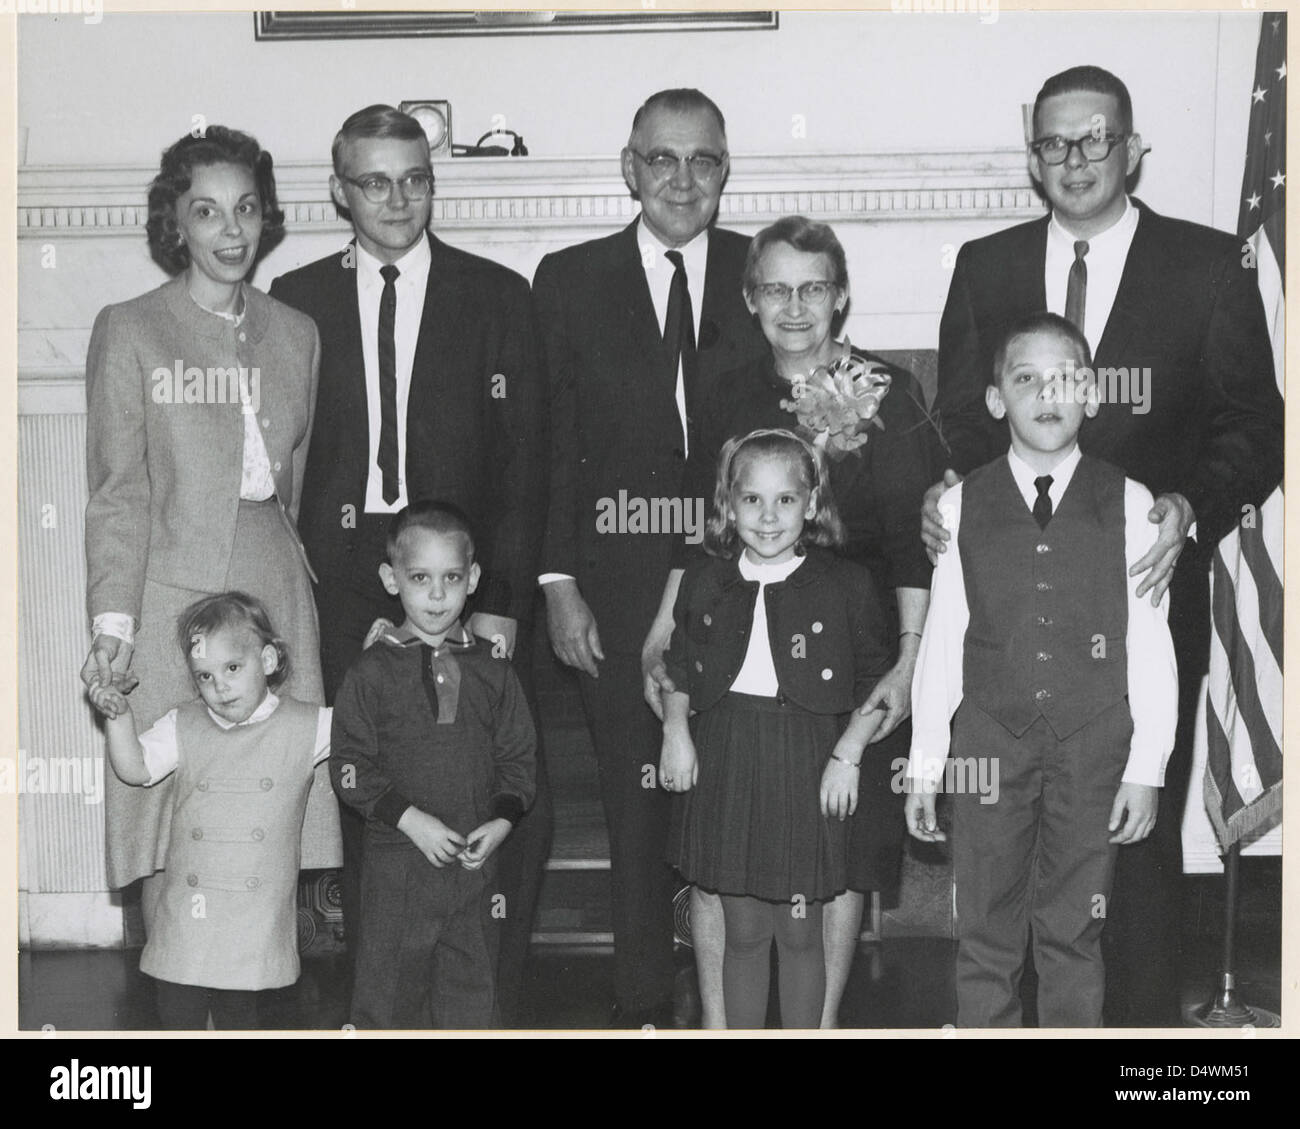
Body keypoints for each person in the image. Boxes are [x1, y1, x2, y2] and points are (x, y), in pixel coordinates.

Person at [924, 65, 1284, 1025]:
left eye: (1095, 138)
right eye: (1054, 141)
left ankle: (1133, 1036)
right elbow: (960, 413)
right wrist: (965, 496)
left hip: (1145, 588)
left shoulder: (1209, 266)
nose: (1075, 158)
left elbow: (1256, 424)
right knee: (1005, 855)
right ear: (1032, 155)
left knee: (1132, 828)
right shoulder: (985, 265)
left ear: (1133, 149)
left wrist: (1187, 506)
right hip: (1009, 607)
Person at [270, 105, 547, 1022]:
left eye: (416, 177)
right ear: (339, 191)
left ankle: (477, 1003)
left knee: (475, 781)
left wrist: (498, 599)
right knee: (367, 788)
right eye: (375, 181)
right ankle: (377, 1001)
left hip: (457, 573)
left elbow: (523, 463)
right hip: (343, 576)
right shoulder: (295, 296)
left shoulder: (497, 296)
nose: (398, 198)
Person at [643, 216, 937, 1027]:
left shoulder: (890, 391)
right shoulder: (724, 390)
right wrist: (665, 626)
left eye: (813, 286)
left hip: (858, 649)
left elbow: (916, 547)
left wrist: (908, 662)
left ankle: (822, 1021)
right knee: (723, 857)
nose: (796, 305)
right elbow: (697, 525)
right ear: (750, 298)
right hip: (737, 636)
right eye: (777, 287)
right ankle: (718, 1021)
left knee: (834, 854)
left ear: (840, 295)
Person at [533, 88, 767, 1026]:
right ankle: (641, 1006)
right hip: (618, 587)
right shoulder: (569, 277)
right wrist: (557, 582)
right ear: (629, 168)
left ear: (724, 171)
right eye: (661, 159)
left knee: (742, 804)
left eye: (703, 159)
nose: (682, 178)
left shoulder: (767, 270)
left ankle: (746, 1007)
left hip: (749, 581)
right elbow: (547, 442)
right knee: (637, 813)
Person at [82, 126, 340, 925]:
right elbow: (118, 491)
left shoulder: (296, 333)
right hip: (168, 591)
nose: (231, 231)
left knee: (267, 813)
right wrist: (114, 625)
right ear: (177, 225)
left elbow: (291, 479)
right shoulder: (130, 329)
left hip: (272, 582)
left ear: (266, 219)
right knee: (171, 816)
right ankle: (174, 997)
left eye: (247, 209)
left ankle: (255, 992)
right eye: (207, 212)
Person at [907, 312, 1178, 1026]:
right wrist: (928, 761)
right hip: (991, 743)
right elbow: (945, 637)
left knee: (1073, 928)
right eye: (1026, 379)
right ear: (997, 400)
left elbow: (1150, 644)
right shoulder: (962, 505)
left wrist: (1146, 766)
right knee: (986, 927)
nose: (1047, 393)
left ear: (1091, 392)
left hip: (1094, 743)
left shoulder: (1132, 502)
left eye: (1065, 378)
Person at [660, 428, 892, 1028]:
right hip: (729, 759)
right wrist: (676, 732)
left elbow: (875, 681)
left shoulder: (846, 584)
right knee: (741, 932)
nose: (768, 517)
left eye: (786, 499)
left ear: (811, 503)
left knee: (798, 931)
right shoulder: (706, 579)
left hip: (807, 762)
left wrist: (849, 753)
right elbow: (680, 666)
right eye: (751, 500)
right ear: (727, 504)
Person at [330, 502, 536, 1028]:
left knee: (470, 997)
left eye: (451, 578)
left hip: (472, 866)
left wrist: (501, 821)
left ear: (473, 579)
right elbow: (349, 767)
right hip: (398, 869)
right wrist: (410, 820)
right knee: (388, 1000)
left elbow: (518, 758)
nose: (437, 595)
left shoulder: (494, 667)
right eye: (420, 578)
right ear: (391, 578)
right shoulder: (371, 670)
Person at [87, 593, 333, 1029]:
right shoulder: (185, 722)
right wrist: (120, 717)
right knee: (178, 1011)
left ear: (269, 660)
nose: (219, 687)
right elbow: (135, 768)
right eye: (204, 676)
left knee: (240, 1017)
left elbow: (371, 725)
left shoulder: (307, 724)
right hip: (188, 916)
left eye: (232, 669)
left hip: (251, 921)